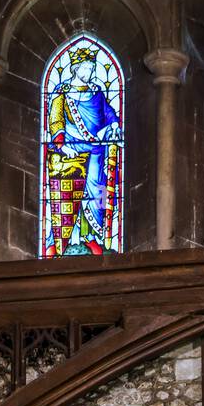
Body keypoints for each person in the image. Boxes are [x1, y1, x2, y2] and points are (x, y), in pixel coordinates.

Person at [44, 46, 122, 256]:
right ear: (75, 69)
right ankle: (63, 241)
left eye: (91, 68)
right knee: (68, 195)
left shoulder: (96, 92)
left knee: (97, 193)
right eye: (85, 68)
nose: (89, 72)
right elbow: (56, 119)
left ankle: (92, 238)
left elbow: (108, 112)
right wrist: (62, 144)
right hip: (71, 152)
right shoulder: (62, 92)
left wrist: (114, 124)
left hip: (96, 151)